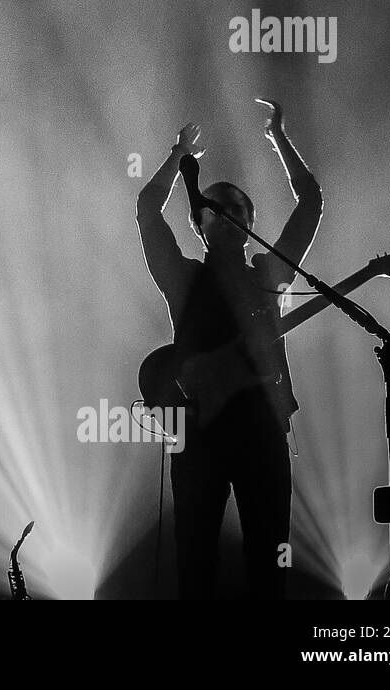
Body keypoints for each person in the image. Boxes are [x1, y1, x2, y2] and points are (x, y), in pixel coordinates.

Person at [136, 99, 323, 599]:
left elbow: (310, 204)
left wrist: (279, 139)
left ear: (248, 222)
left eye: (238, 208)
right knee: (195, 563)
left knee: (269, 565)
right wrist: (178, 159)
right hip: (198, 433)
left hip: (263, 426)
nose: (228, 213)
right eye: (216, 207)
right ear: (200, 223)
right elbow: (146, 210)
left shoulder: (269, 274)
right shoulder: (182, 278)